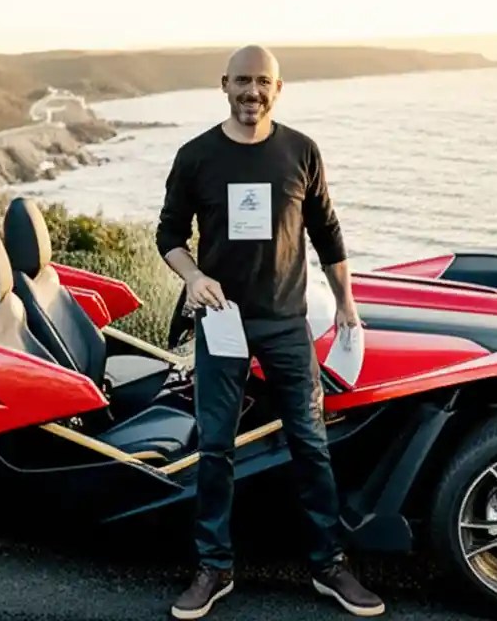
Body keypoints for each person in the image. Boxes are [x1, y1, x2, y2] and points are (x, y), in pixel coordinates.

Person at [155, 45, 385, 619]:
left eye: (263, 82)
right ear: (224, 85)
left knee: (311, 444)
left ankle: (328, 565)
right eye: (241, 81)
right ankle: (214, 567)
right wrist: (194, 276)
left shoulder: (301, 152)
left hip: (286, 323)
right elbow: (168, 235)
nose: (251, 92)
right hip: (221, 322)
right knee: (214, 447)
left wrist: (346, 303)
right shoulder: (196, 156)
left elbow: (328, 233)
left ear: (277, 89)